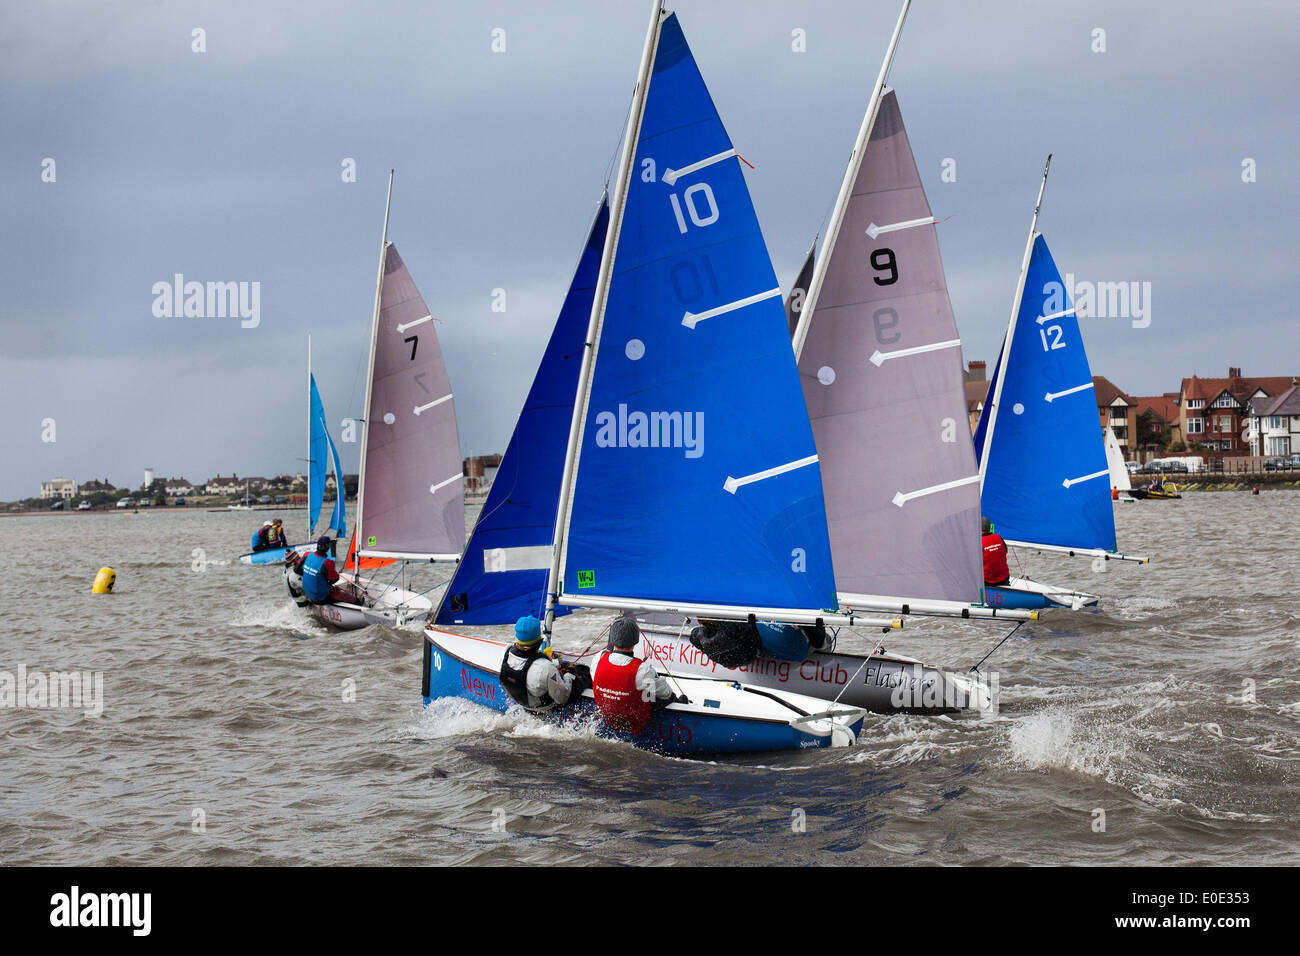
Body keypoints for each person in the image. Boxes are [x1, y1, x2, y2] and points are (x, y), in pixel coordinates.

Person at [593, 614, 676, 735]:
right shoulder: (642, 670)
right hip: (635, 724)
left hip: (609, 719)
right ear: (636, 640)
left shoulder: (598, 659)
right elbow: (666, 693)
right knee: (662, 696)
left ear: (612, 638)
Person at [498, 616, 590, 716]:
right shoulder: (546, 667)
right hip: (545, 709)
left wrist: (548, 662)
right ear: (539, 641)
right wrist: (568, 675)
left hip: (523, 703)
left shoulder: (507, 653)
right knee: (581, 673)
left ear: (517, 639)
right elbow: (562, 698)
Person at [300, 536, 359, 605]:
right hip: (320, 598)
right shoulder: (327, 563)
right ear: (328, 548)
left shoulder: (307, 554)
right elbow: (335, 580)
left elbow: (297, 569)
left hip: (307, 593)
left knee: (333, 588)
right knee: (354, 600)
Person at [981, 516, 1010, 588]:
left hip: (987, 582)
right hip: (1004, 579)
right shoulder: (999, 538)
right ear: (989, 527)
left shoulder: (978, 542)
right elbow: (1005, 552)